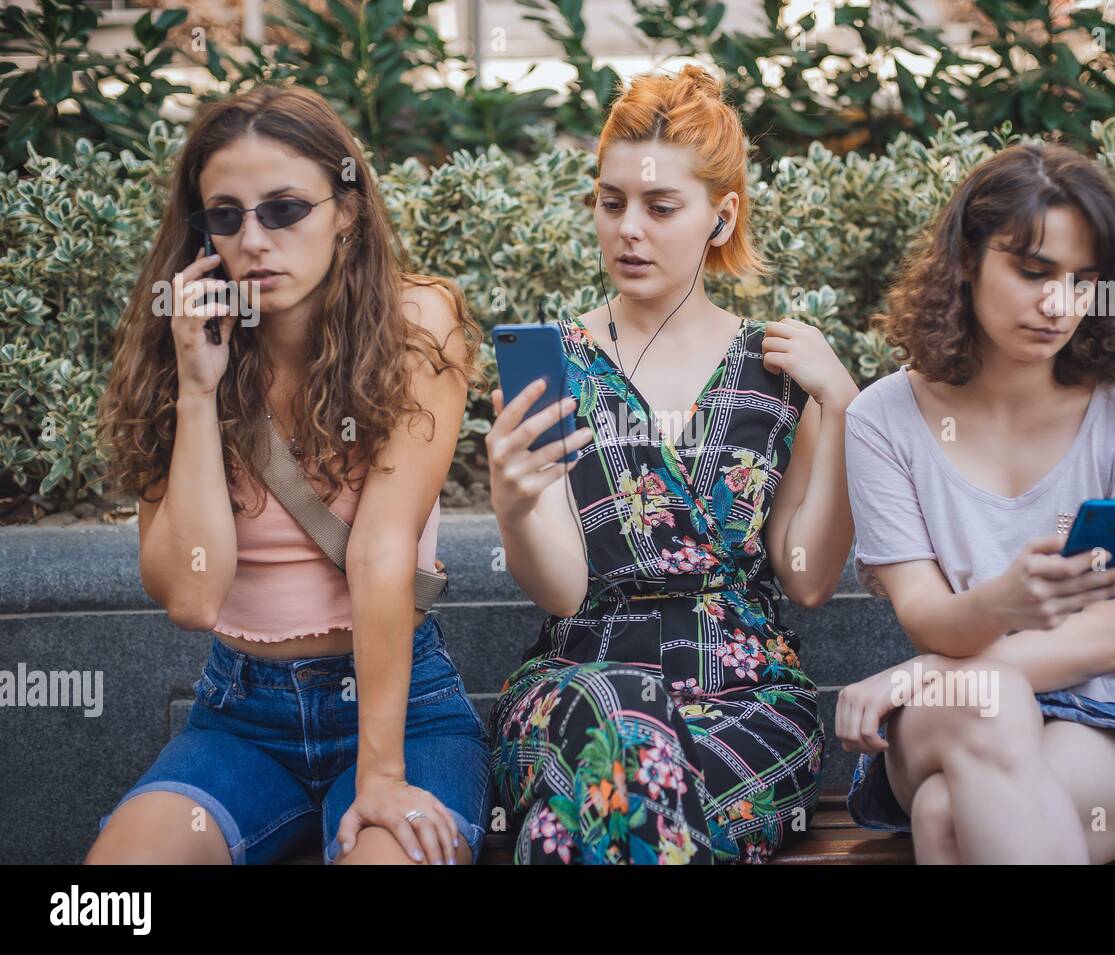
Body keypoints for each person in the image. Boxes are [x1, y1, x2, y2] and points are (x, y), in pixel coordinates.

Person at [88, 84, 489, 865]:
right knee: (112, 889)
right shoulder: (180, 345)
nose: (254, 239)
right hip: (240, 716)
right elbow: (194, 594)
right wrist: (199, 389)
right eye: (227, 215)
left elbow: (380, 551)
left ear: (345, 209)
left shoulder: (417, 325)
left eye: (284, 209)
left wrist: (380, 775)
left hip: (400, 711)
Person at [484, 66, 860, 864]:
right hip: (578, 684)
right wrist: (515, 506)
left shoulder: (781, 367)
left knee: (568, 829)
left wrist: (842, 409)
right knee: (619, 725)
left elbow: (809, 579)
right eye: (611, 201)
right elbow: (563, 590)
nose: (628, 230)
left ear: (720, 217)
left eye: (660, 208)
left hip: (745, 702)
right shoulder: (558, 366)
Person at [837, 142, 1115, 864]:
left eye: (1082, 280)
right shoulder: (884, 418)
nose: (1057, 305)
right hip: (957, 716)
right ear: (968, 262)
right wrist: (1003, 601)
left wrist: (924, 673)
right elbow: (927, 615)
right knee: (991, 705)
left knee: (947, 812)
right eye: (1033, 272)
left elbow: (1109, 639)